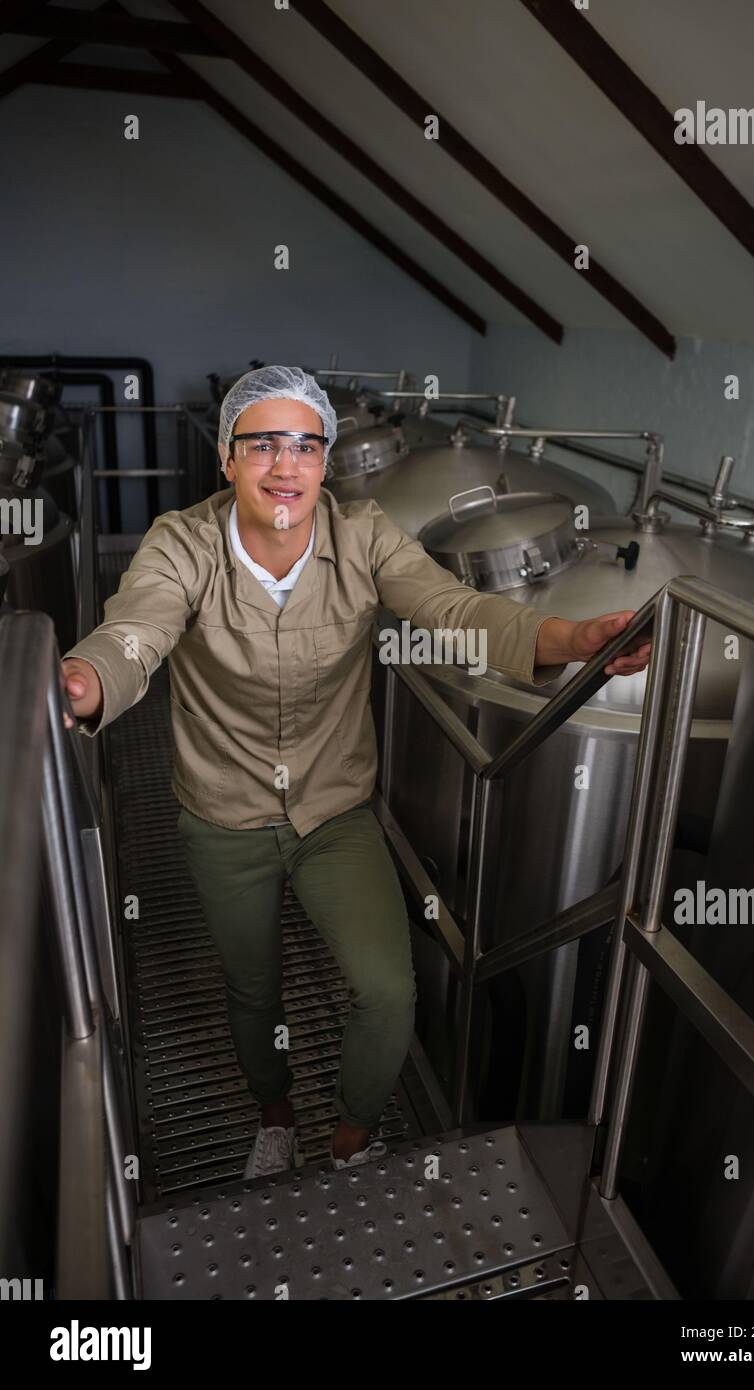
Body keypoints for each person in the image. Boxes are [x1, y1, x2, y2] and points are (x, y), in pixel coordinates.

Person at [61, 366, 651, 1179]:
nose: (284, 464)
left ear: (325, 462)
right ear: (226, 461)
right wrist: (84, 682)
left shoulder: (365, 534)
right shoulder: (181, 542)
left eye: (305, 445)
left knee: (387, 990)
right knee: (252, 992)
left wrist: (572, 639)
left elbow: (458, 610)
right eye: (262, 444)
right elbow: (137, 630)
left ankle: (349, 1140)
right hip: (223, 814)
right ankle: (273, 1117)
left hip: (333, 810)